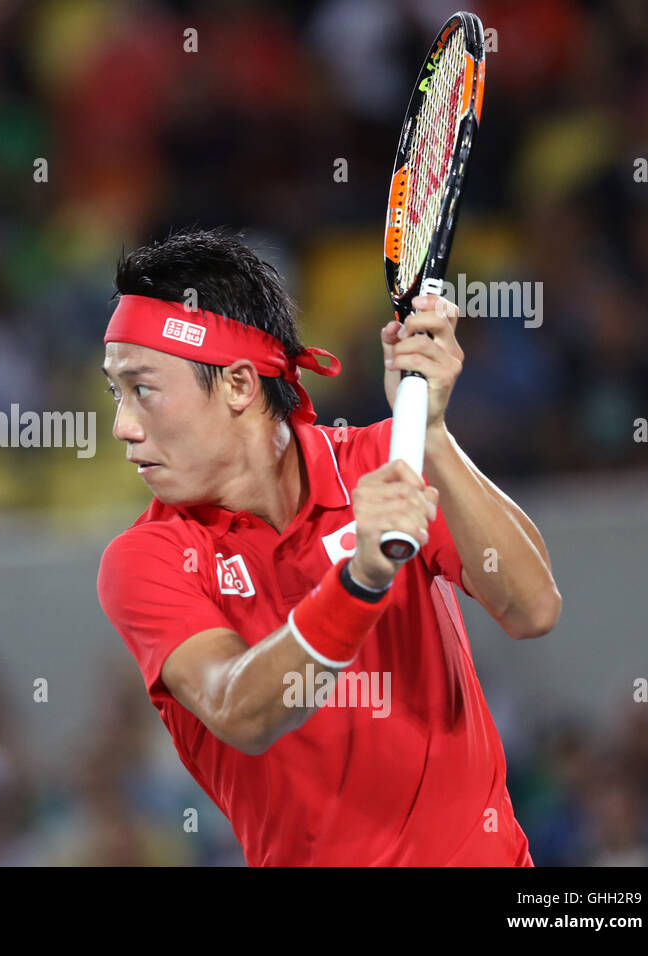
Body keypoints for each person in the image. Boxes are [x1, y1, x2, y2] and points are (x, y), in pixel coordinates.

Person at [96, 229, 561, 865]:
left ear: (237, 385)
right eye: (115, 391)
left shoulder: (385, 460)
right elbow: (241, 709)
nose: (122, 424)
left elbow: (532, 608)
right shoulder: (147, 559)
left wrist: (432, 437)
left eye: (141, 388)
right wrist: (360, 578)